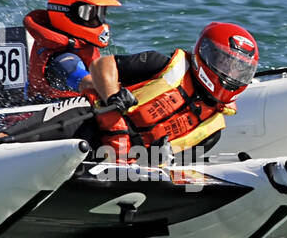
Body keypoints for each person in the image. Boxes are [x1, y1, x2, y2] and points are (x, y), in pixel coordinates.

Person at [90, 22, 260, 163]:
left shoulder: (211, 132)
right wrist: (112, 97)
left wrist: (160, 161)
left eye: (239, 70)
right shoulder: (160, 64)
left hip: (123, 165)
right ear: (207, 53)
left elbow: (176, 167)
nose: (230, 74)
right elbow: (100, 66)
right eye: (225, 63)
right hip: (91, 126)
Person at [22, 0, 138, 152]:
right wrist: (118, 92)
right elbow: (84, 81)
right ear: (67, 13)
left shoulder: (80, 44)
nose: (98, 21)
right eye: (89, 13)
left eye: (100, 13)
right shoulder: (61, 59)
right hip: (57, 124)